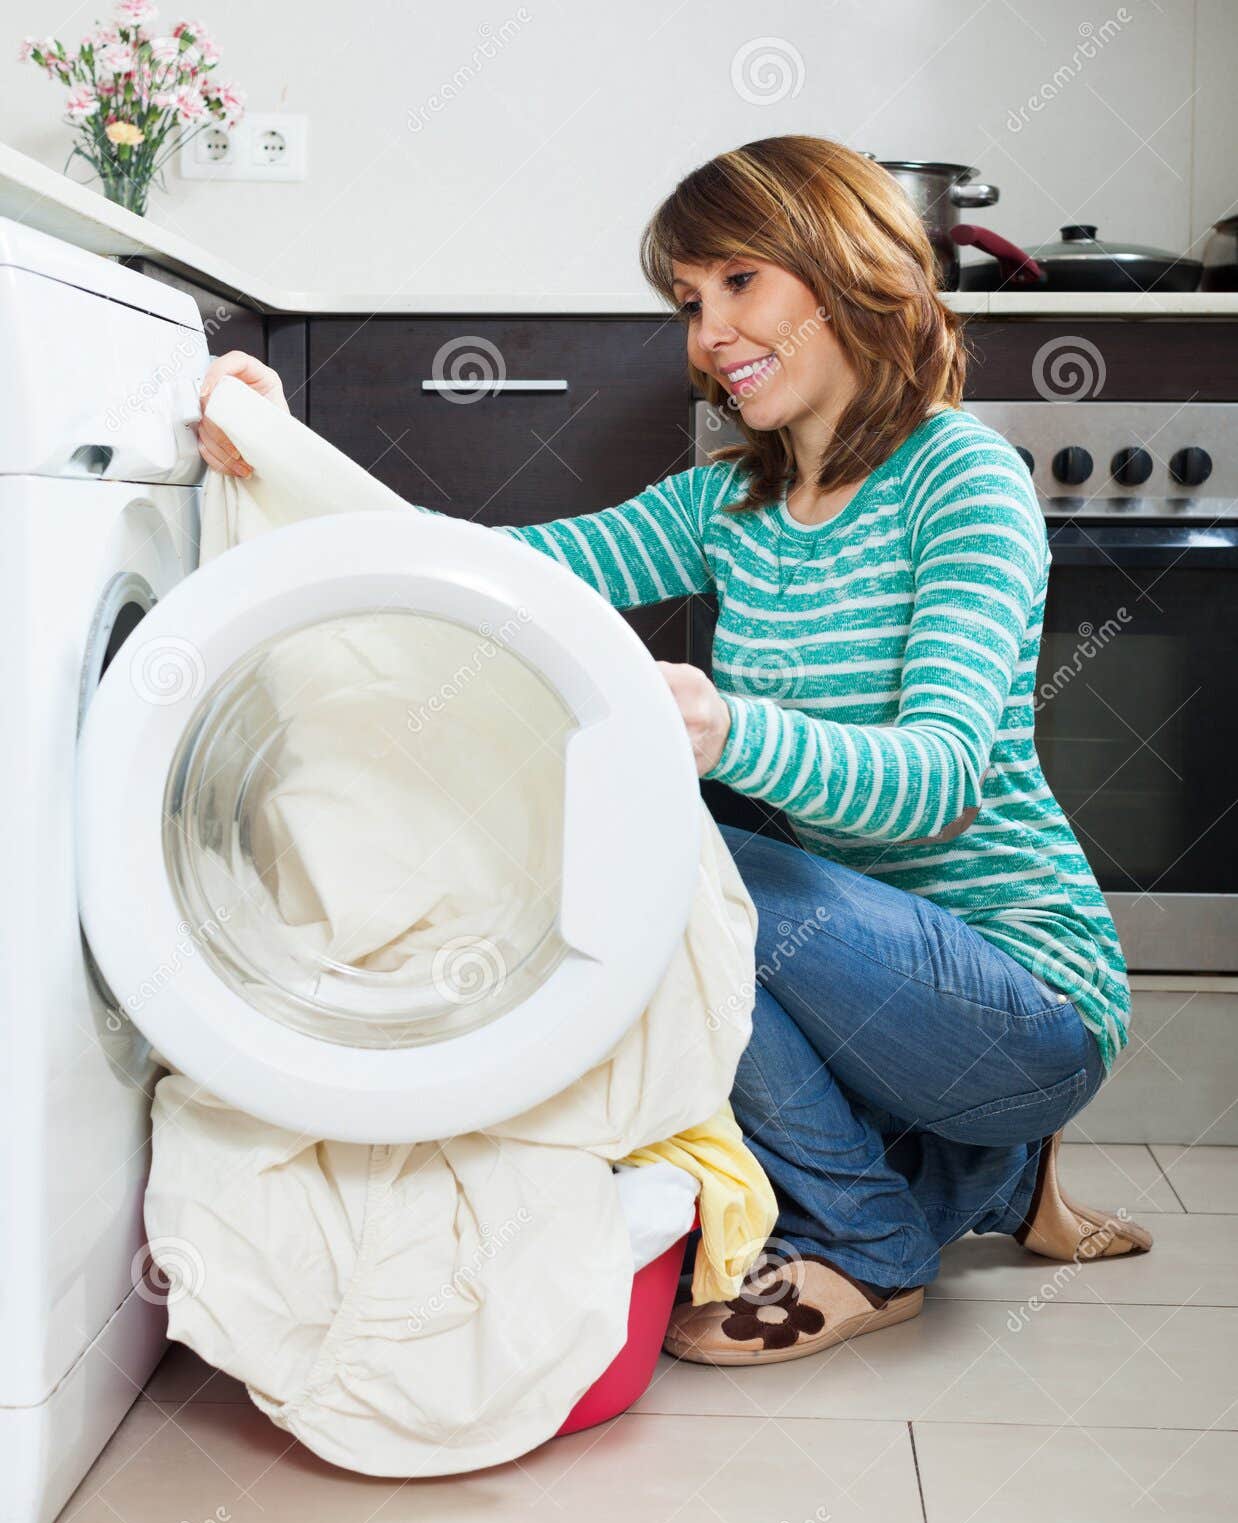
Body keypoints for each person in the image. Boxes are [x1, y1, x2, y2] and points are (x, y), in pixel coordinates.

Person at [198, 135, 1150, 1371]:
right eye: (688, 302)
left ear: (843, 268)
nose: (707, 333)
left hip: (1027, 1004)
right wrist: (286, 452)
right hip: (863, 983)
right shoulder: (728, 504)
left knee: (661, 855)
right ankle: (987, 1175)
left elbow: (938, 781)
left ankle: (864, 1239)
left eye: (737, 283)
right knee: (654, 854)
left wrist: (727, 727)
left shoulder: (958, 480)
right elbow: (498, 570)